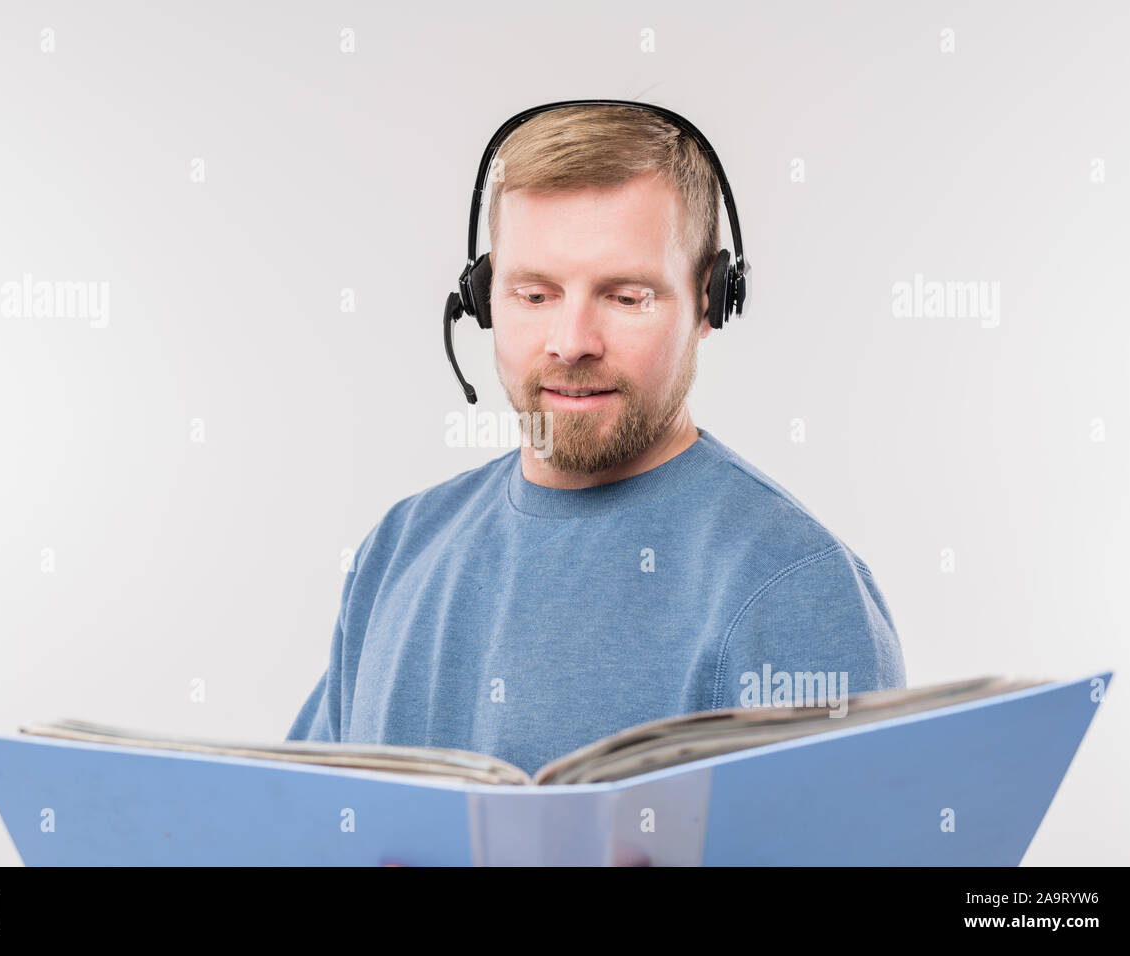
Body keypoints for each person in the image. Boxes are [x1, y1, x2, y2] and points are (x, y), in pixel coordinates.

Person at [287, 103, 906, 776]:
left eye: (625, 296)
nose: (572, 343)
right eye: (534, 295)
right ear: (483, 298)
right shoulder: (398, 550)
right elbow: (299, 827)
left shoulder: (793, 587)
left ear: (709, 303)